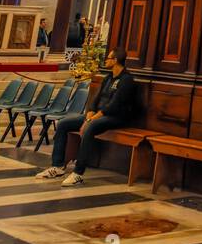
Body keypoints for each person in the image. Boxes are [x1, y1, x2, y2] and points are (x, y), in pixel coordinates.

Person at [36, 47, 137, 186]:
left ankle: (78, 173)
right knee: (63, 124)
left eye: (108, 58)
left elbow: (114, 106)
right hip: (98, 116)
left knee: (90, 127)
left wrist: (90, 120)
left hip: (116, 118)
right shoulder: (108, 77)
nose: (105, 60)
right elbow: (96, 99)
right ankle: (58, 166)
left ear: (115, 60)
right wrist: (90, 112)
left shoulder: (127, 80)